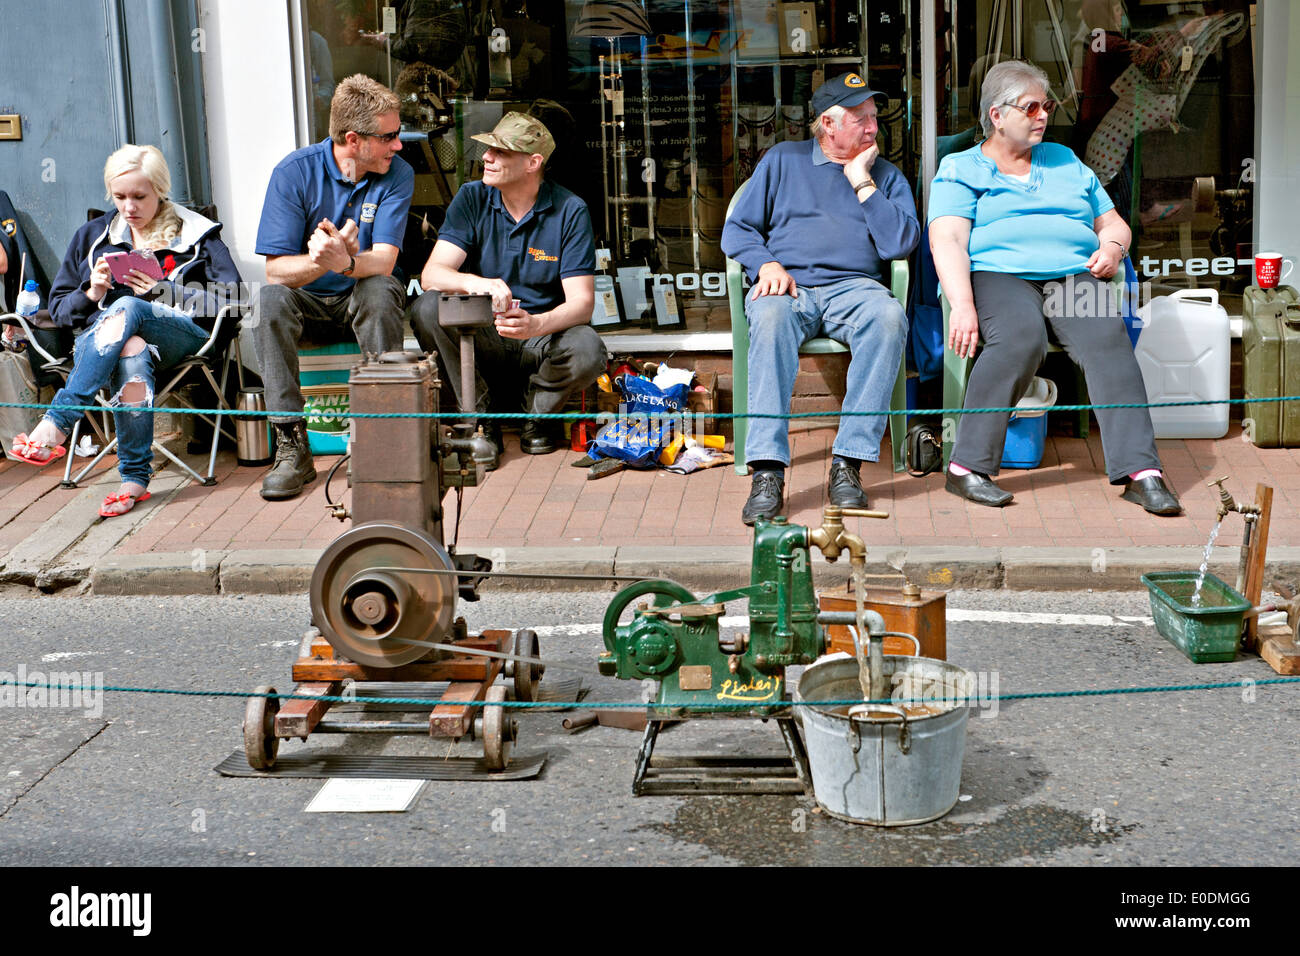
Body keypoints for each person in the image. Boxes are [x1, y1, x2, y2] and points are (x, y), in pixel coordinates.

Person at [928, 59, 1180, 515]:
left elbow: (1114, 225)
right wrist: (962, 304)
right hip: (1000, 274)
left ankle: (1142, 473)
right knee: (1020, 341)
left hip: (1071, 273)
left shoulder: (1064, 159)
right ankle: (966, 468)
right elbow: (946, 239)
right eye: (1031, 107)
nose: (1043, 114)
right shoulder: (960, 167)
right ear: (997, 115)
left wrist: (1114, 248)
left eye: (1046, 105)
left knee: (1107, 339)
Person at [721, 73, 920, 526]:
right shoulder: (782, 161)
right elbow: (738, 229)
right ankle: (767, 471)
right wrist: (766, 264)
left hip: (855, 288)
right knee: (769, 320)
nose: (873, 128)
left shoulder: (885, 177)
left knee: (889, 318)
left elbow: (899, 245)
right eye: (860, 118)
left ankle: (847, 465)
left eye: (874, 118)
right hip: (788, 287)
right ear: (827, 123)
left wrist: (860, 181)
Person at [7, 145, 241, 517]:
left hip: (180, 342)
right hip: (104, 347)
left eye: (139, 196)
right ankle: (134, 478)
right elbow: (61, 313)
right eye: (119, 197)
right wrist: (92, 292)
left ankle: (57, 422)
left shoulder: (197, 233)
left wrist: (163, 291)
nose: (129, 207)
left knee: (129, 305)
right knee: (131, 345)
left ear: (160, 191)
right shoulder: (93, 235)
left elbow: (237, 299)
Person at [251, 73, 414, 500]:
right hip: (308, 305)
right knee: (268, 302)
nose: (398, 145)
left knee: (380, 289)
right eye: (389, 136)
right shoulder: (294, 172)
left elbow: (386, 259)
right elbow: (276, 272)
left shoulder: (397, 173)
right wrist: (321, 260)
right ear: (353, 138)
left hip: (362, 300)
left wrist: (346, 264)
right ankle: (291, 446)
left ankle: (383, 440)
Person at [408, 112, 604, 463]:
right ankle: (481, 423)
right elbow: (432, 275)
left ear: (533, 162)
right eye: (488, 149)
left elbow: (582, 304)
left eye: (501, 152)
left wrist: (536, 324)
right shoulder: (472, 198)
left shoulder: (570, 210)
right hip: (484, 335)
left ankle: (536, 419)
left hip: (541, 340)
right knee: (427, 307)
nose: (486, 157)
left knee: (588, 347)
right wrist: (476, 283)